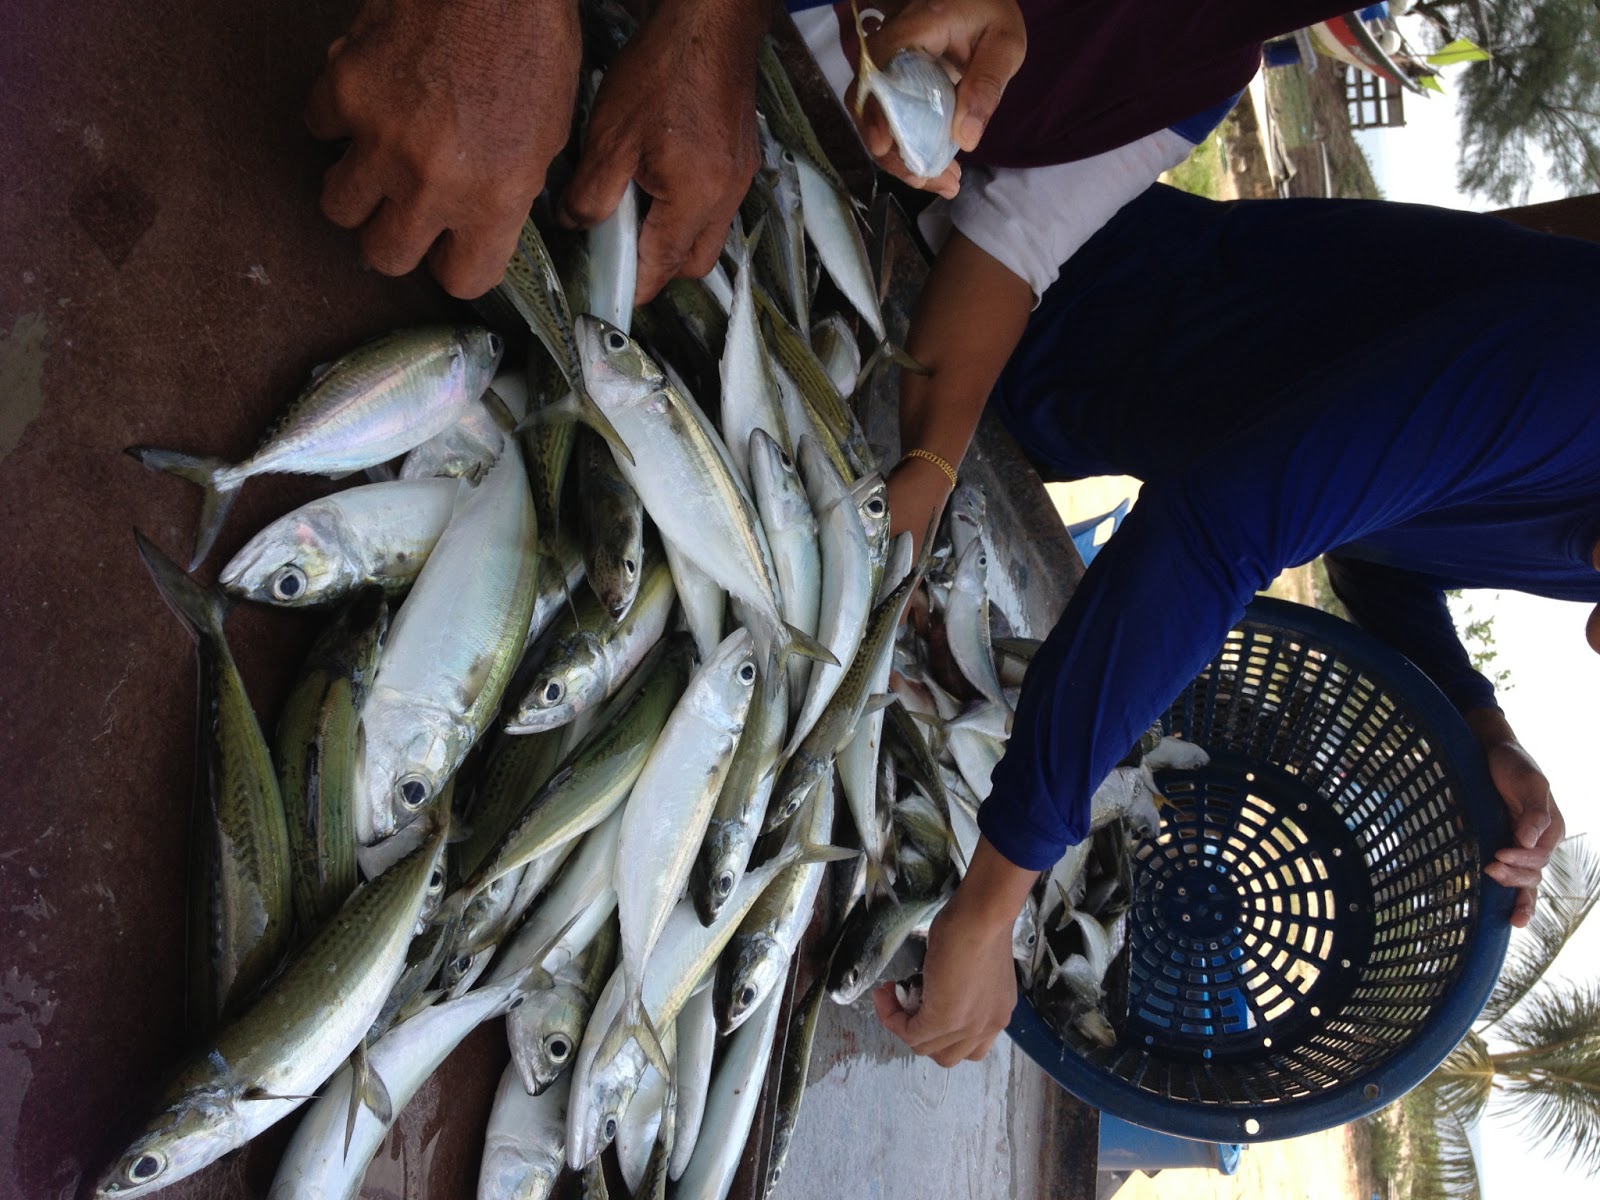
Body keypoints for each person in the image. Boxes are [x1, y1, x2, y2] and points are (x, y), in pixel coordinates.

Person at [779, 0, 1598, 1069]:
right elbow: (1219, 525)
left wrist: (1478, 717)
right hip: (1000, 236)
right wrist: (987, 906)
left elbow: (1371, 542)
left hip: (1029, 404)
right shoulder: (1578, 371)